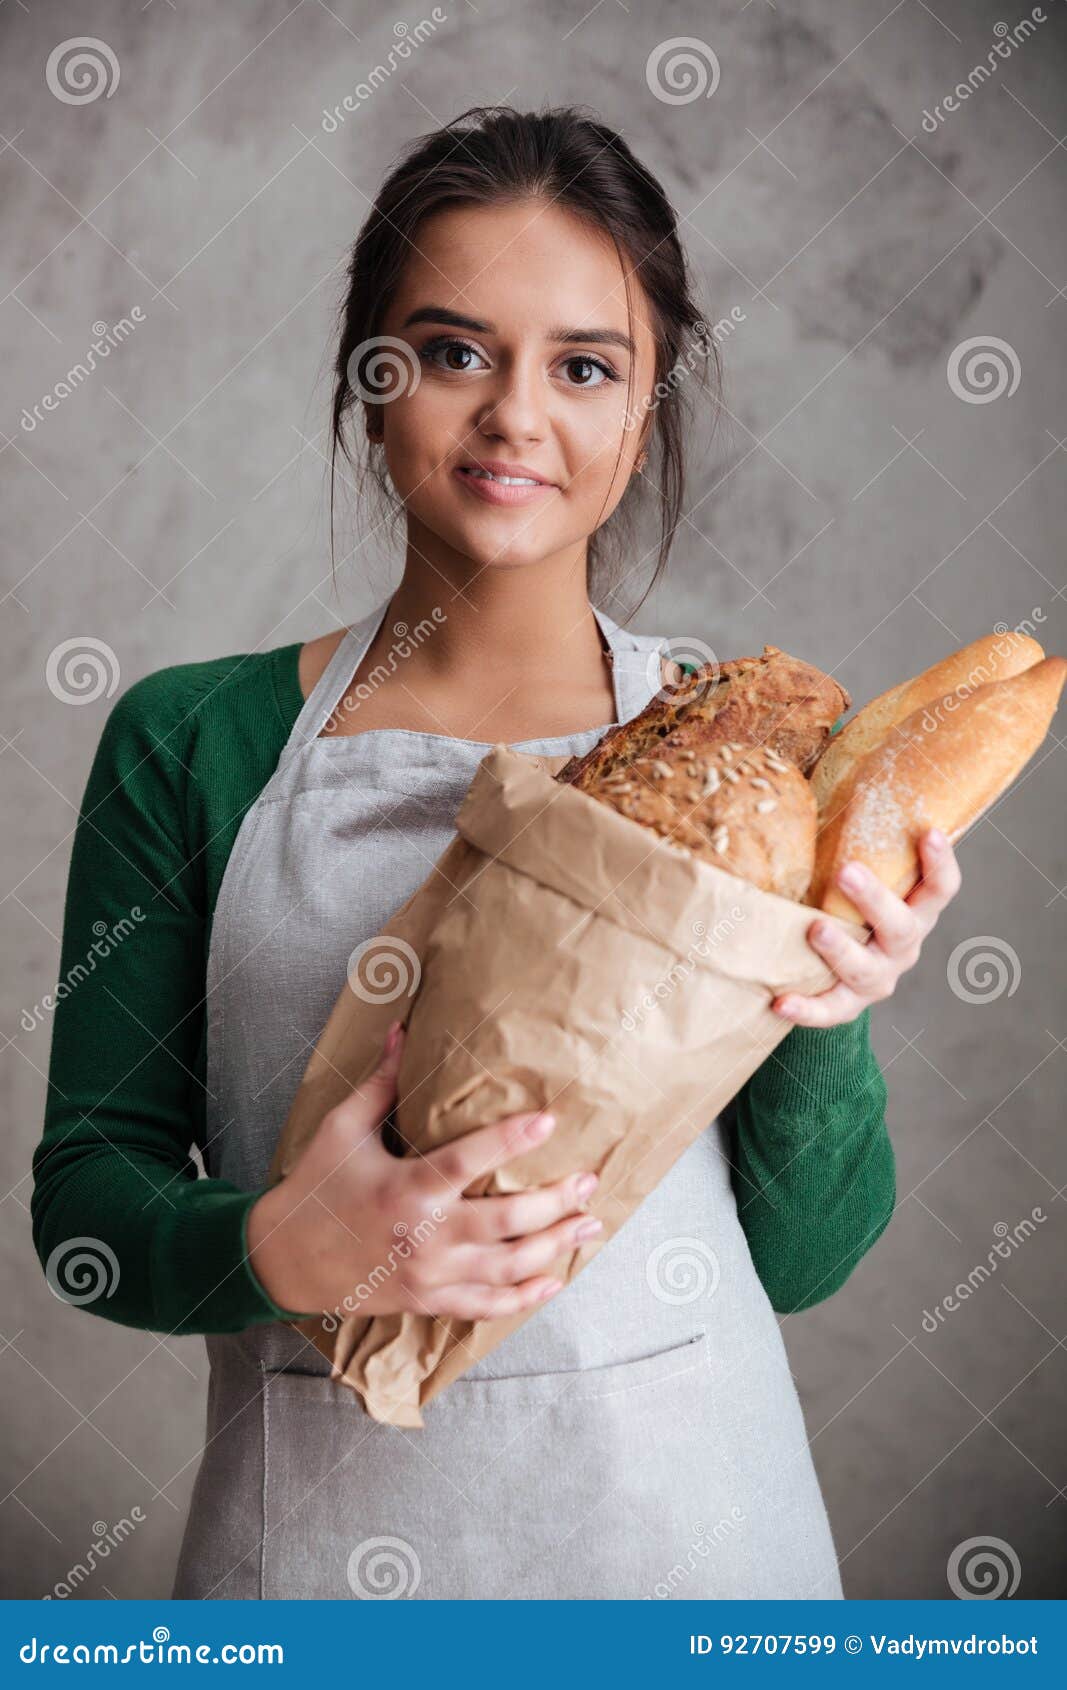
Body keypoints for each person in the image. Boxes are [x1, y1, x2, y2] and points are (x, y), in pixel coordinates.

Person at [32, 105, 961, 1601]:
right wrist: (281, 1247)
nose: (516, 415)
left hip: (697, 1558)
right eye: (455, 351)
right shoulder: (190, 740)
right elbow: (85, 1202)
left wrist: (829, 1009)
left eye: (586, 367)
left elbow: (805, 1255)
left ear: (643, 416)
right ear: (370, 383)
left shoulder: (764, 768)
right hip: (324, 1579)